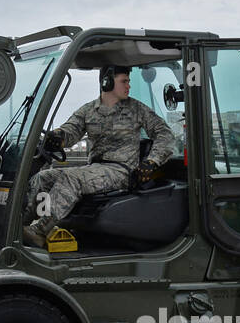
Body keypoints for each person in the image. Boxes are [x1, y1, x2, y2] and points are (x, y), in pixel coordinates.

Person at [22, 64, 175, 247]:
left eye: (128, 81)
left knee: (73, 178)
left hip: (120, 171)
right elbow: (71, 130)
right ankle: (18, 225)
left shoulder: (136, 109)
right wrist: (58, 137)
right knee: (43, 177)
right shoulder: (89, 110)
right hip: (94, 169)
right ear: (107, 82)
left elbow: (164, 134)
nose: (128, 86)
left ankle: (39, 231)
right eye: (124, 81)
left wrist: (152, 161)